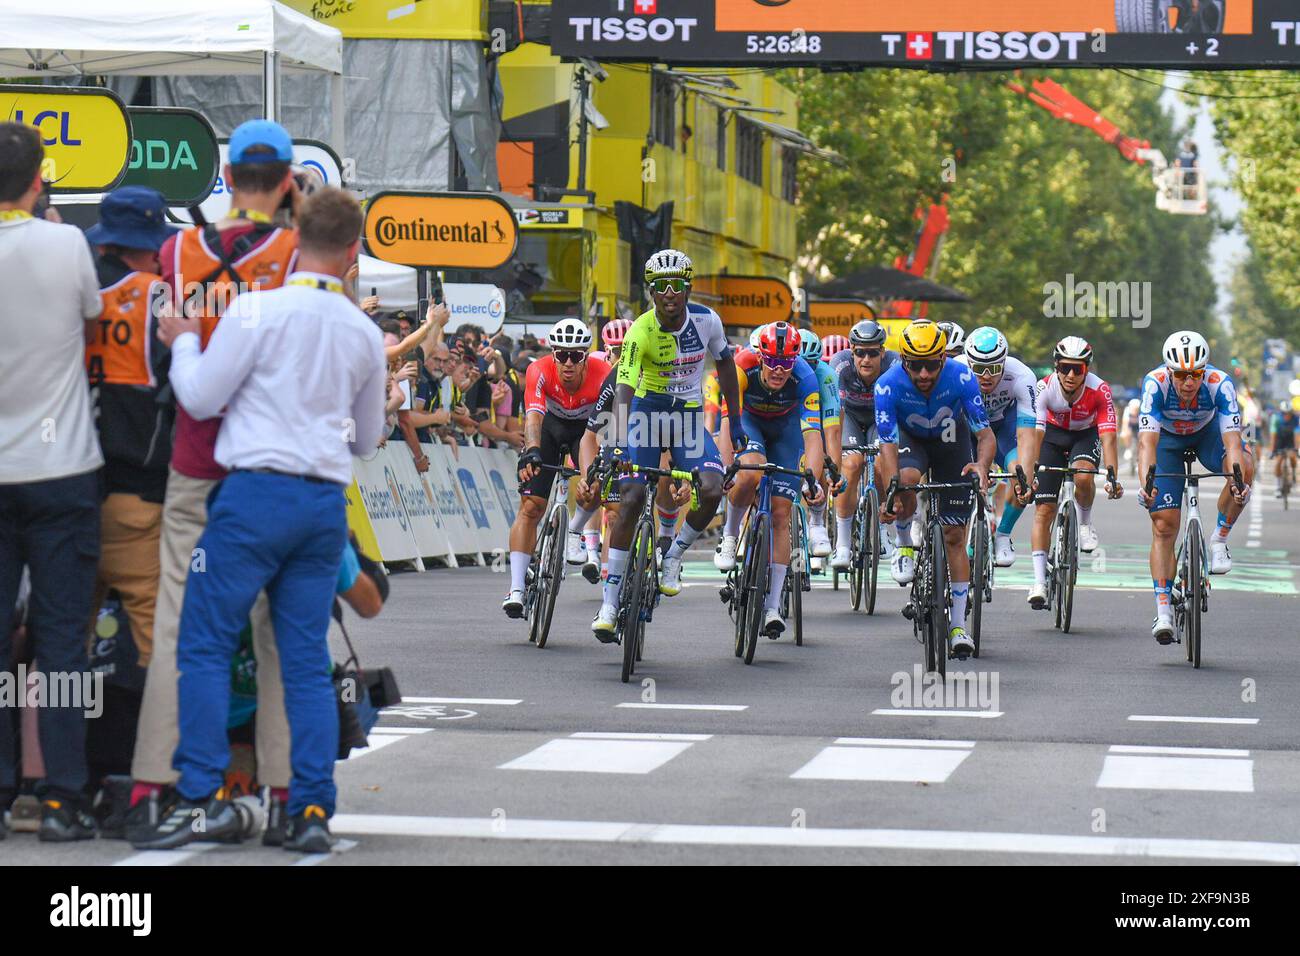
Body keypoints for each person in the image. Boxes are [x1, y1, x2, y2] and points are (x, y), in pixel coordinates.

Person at [136, 187, 387, 853]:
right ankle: (308, 811)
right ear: (354, 251)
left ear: (293, 236)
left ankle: (200, 795)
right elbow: (365, 439)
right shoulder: (363, 332)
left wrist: (185, 341)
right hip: (321, 504)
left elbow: (198, 395)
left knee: (205, 641)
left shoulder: (256, 309)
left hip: (252, 496)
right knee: (303, 659)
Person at [128, 118, 302, 843]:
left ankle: (152, 788)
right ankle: (291, 795)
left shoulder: (177, 251)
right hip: (269, 465)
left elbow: (158, 356)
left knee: (178, 625)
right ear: (289, 180)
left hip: (196, 460)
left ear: (225, 176)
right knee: (278, 633)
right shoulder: (296, 253)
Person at [0, 121, 104, 841]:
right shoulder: (67, 244)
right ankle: (63, 796)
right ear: (40, 181)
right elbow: (94, 321)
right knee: (64, 641)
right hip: (62, 470)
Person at [596, 250, 742, 638]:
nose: (670, 294)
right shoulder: (639, 331)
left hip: (687, 417)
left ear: (688, 288)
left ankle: (673, 555)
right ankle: (609, 604)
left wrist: (736, 419)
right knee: (629, 497)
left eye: (677, 286)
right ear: (651, 293)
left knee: (711, 489)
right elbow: (623, 388)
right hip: (644, 412)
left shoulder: (707, 320)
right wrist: (617, 441)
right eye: (661, 287)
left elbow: (726, 365)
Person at [874, 321, 993, 659]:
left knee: (955, 534)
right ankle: (904, 542)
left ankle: (958, 626)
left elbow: (984, 434)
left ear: (944, 358)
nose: (924, 374)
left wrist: (982, 466)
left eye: (932, 365)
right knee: (905, 479)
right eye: (915, 365)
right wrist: (891, 492)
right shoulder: (887, 385)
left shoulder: (962, 377)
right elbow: (887, 446)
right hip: (910, 441)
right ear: (903, 361)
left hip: (951, 442)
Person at [1136, 331, 1252, 644]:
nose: (1189, 383)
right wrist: (1146, 481)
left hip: (1207, 436)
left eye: (1196, 374)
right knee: (1165, 525)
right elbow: (1147, 442)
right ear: (1169, 371)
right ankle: (1163, 611)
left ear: (1205, 371)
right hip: (1167, 443)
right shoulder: (1154, 384)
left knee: (1246, 467)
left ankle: (1219, 538)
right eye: (1183, 375)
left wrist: (1238, 480)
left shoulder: (1220, 384)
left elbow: (1232, 442)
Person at [716, 324, 827, 635]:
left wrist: (813, 483)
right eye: (773, 362)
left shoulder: (805, 377)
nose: (779, 370)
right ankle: (729, 533)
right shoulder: (741, 366)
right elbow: (727, 422)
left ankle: (772, 607)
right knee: (749, 471)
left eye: (786, 363)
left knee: (780, 514)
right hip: (748, 422)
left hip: (785, 431)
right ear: (760, 356)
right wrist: (729, 468)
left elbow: (813, 435)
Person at [505, 320, 611, 619]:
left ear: (586, 357)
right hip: (548, 428)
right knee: (531, 507)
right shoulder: (538, 370)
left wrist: (597, 464)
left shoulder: (603, 375)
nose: (568, 362)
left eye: (576, 356)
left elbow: (603, 429)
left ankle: (574, 530)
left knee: (594, 487)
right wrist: (532, 452)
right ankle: (516, 588)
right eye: (561, 354)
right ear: (552, 354)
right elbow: (534, 417)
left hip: (585, 431)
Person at [1027, 336, 1122, 609]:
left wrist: (1113, 475)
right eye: (1065, 368)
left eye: (1077, 369)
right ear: (1056, 367)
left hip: (1084, 435)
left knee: (1083, 476)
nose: (1070, 375)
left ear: (1087, 370)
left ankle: (1084, 523)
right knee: (1044, 509)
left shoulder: (1099, 390)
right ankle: (1038, 582)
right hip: (1052, 437)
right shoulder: (1043, 388)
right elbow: (1037, 432)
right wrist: (1032, 471)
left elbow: (1108, 435)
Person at [956, 326, 1039, 566]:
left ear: (1004, 362)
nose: (987, 376)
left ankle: (1003, 534)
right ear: (969, 364)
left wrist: (1025, 480)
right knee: (960, 479)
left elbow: (1026, 436)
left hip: (1004, 427)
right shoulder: (955, 371)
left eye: (994, 369)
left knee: (1021, 472)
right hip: (968, 428)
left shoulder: (1022, 376)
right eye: (980, 369)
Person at [829, 319, 897, 570]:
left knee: (881, 463)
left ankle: (880, 526)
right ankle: (843, 544)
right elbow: (835, 414)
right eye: (860, 352)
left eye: (872, 352)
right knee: (852, 463)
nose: (865, 359)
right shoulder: (840, 365)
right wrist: (834, 456)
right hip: (851, 418)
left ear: (882, 351)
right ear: (852, 351)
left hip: (882, 417)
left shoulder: (895, 365)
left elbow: (899, 408)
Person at [797, 328, 841, 558]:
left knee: (822, 461)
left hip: (816, 422)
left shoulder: (826, 376)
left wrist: (835, 471)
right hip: (787, 419)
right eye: (801, 362)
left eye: (812, 363)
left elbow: (832, 430)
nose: (806, 369)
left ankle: (816, 523)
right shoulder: (784, 371)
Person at [1271, 405, 1297, 491]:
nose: (1287, 415)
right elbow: (1273, 434)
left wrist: (1297, 449)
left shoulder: (1296, 419)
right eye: (1284, 413)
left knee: (1293, 457)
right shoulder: (1276, 419)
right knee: (1278, 462)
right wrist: (1273, 450)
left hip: (1290, 440)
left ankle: (1293, 474)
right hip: (1280, 440)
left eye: (1289, 413)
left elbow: (1297, 434)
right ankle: (1278, 486)